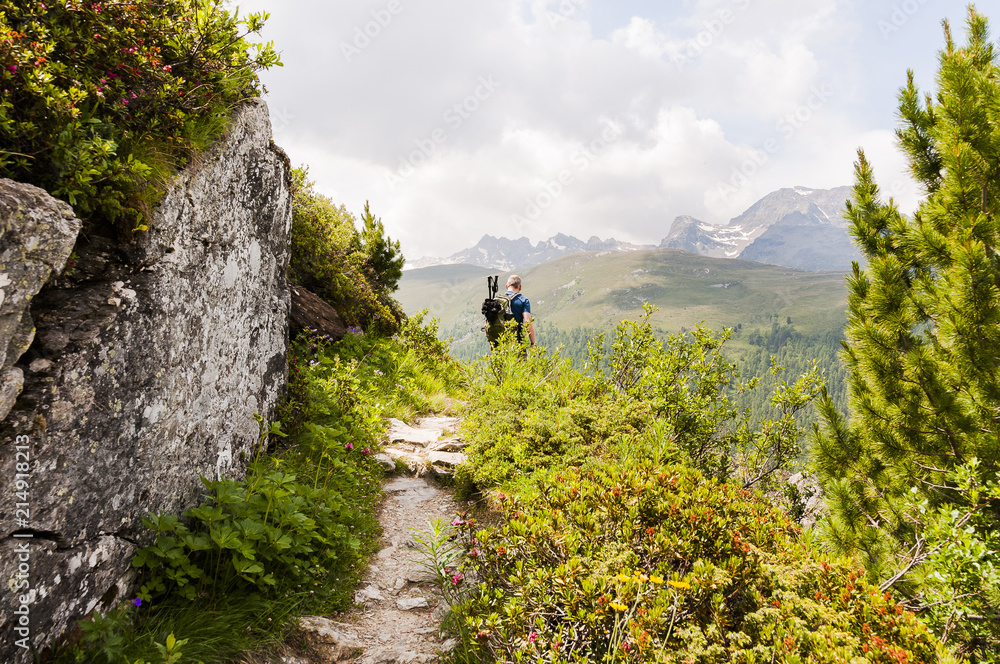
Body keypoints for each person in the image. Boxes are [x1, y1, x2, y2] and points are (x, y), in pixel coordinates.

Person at [505, 275, 535, 347]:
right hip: (517, 343)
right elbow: (528, 322)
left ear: (506, 286)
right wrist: (533, 343)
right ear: (520, 287)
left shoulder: (498, 300)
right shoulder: (523, 300)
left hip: (500, 343)